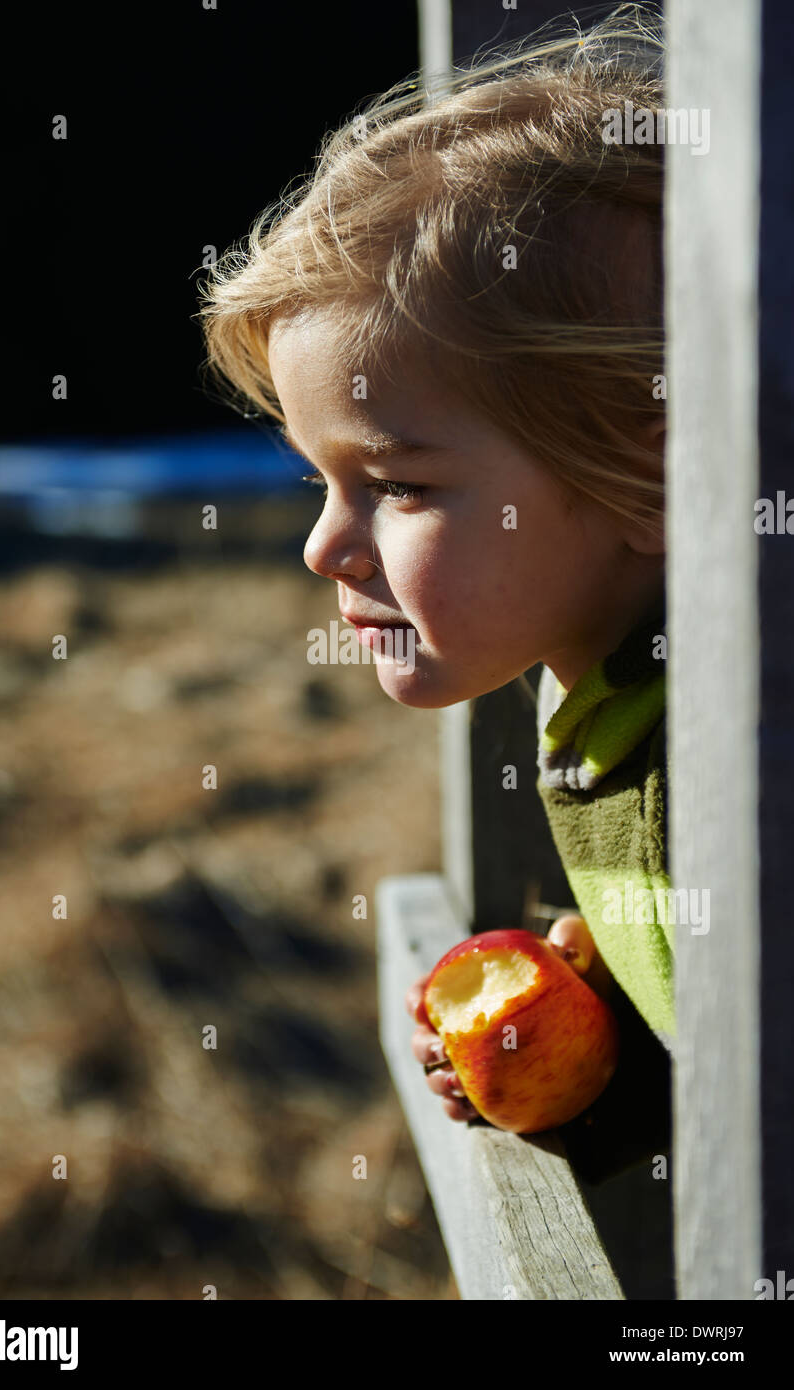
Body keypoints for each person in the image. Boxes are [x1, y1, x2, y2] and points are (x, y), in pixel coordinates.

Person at [199, 5, 672, 1126]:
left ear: (654, 477)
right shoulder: (616, 691)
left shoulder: (730, 770)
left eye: (399, 485)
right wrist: (599, 1032)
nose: (324, 545)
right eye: (323, 480)